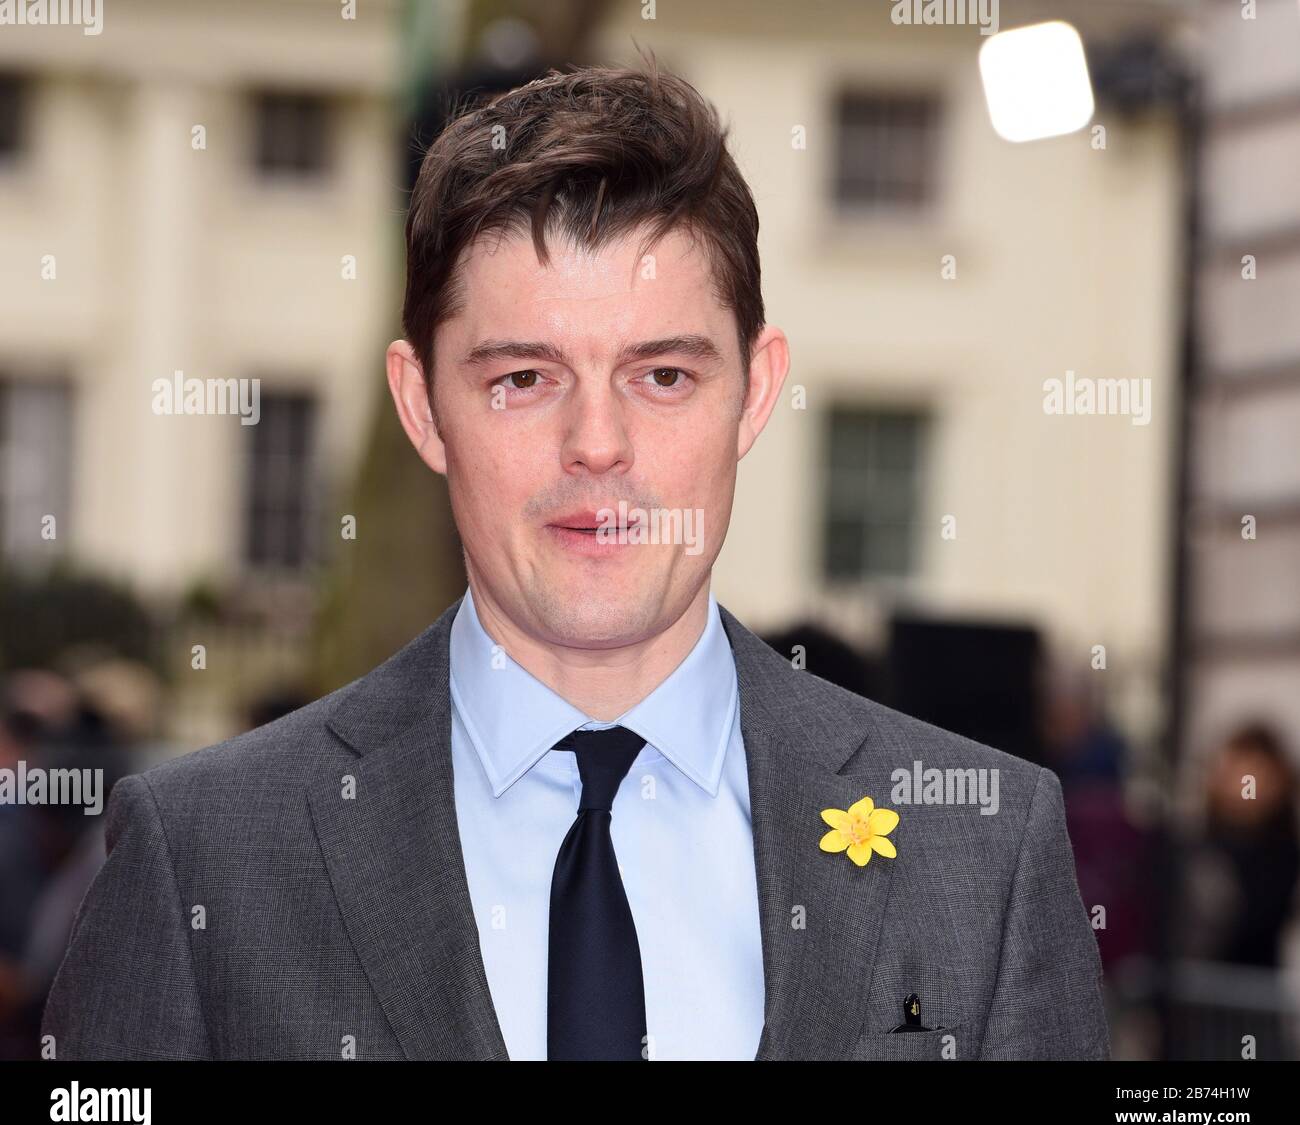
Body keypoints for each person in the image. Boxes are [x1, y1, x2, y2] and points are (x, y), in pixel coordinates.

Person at [41, 58, 1107, 1061]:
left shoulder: (981, 846)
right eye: (523, 378)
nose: (596, 443)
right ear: (420, 406)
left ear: (757, 389)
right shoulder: (208, 853)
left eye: (663, 376)